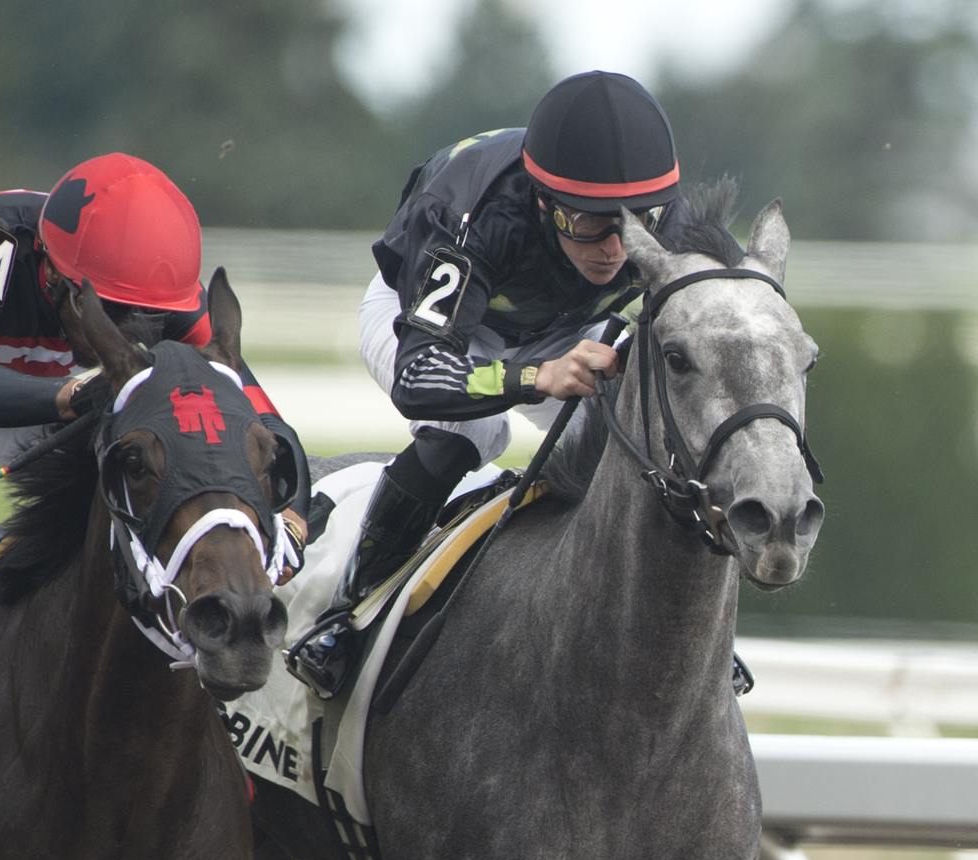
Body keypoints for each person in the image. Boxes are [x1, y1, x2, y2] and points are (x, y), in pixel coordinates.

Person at [287, 69, 695, 697]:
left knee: (639, 433)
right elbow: (421, 377)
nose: (614, 248)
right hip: (428, 321)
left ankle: (670, 630)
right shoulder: (471, 215)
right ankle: (349, 616)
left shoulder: (664, 215)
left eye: (634, 221)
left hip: (561, 323)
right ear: (541, 201)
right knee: (470, 428)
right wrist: (537, 376)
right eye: (588, 224)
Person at [0, 153, 296, 472]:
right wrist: (72, 395)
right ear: (52, 270)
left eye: (146, 315)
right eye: (108, 310)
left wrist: (289, 515)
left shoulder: (165, 293)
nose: (120, 336)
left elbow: (264, 421)